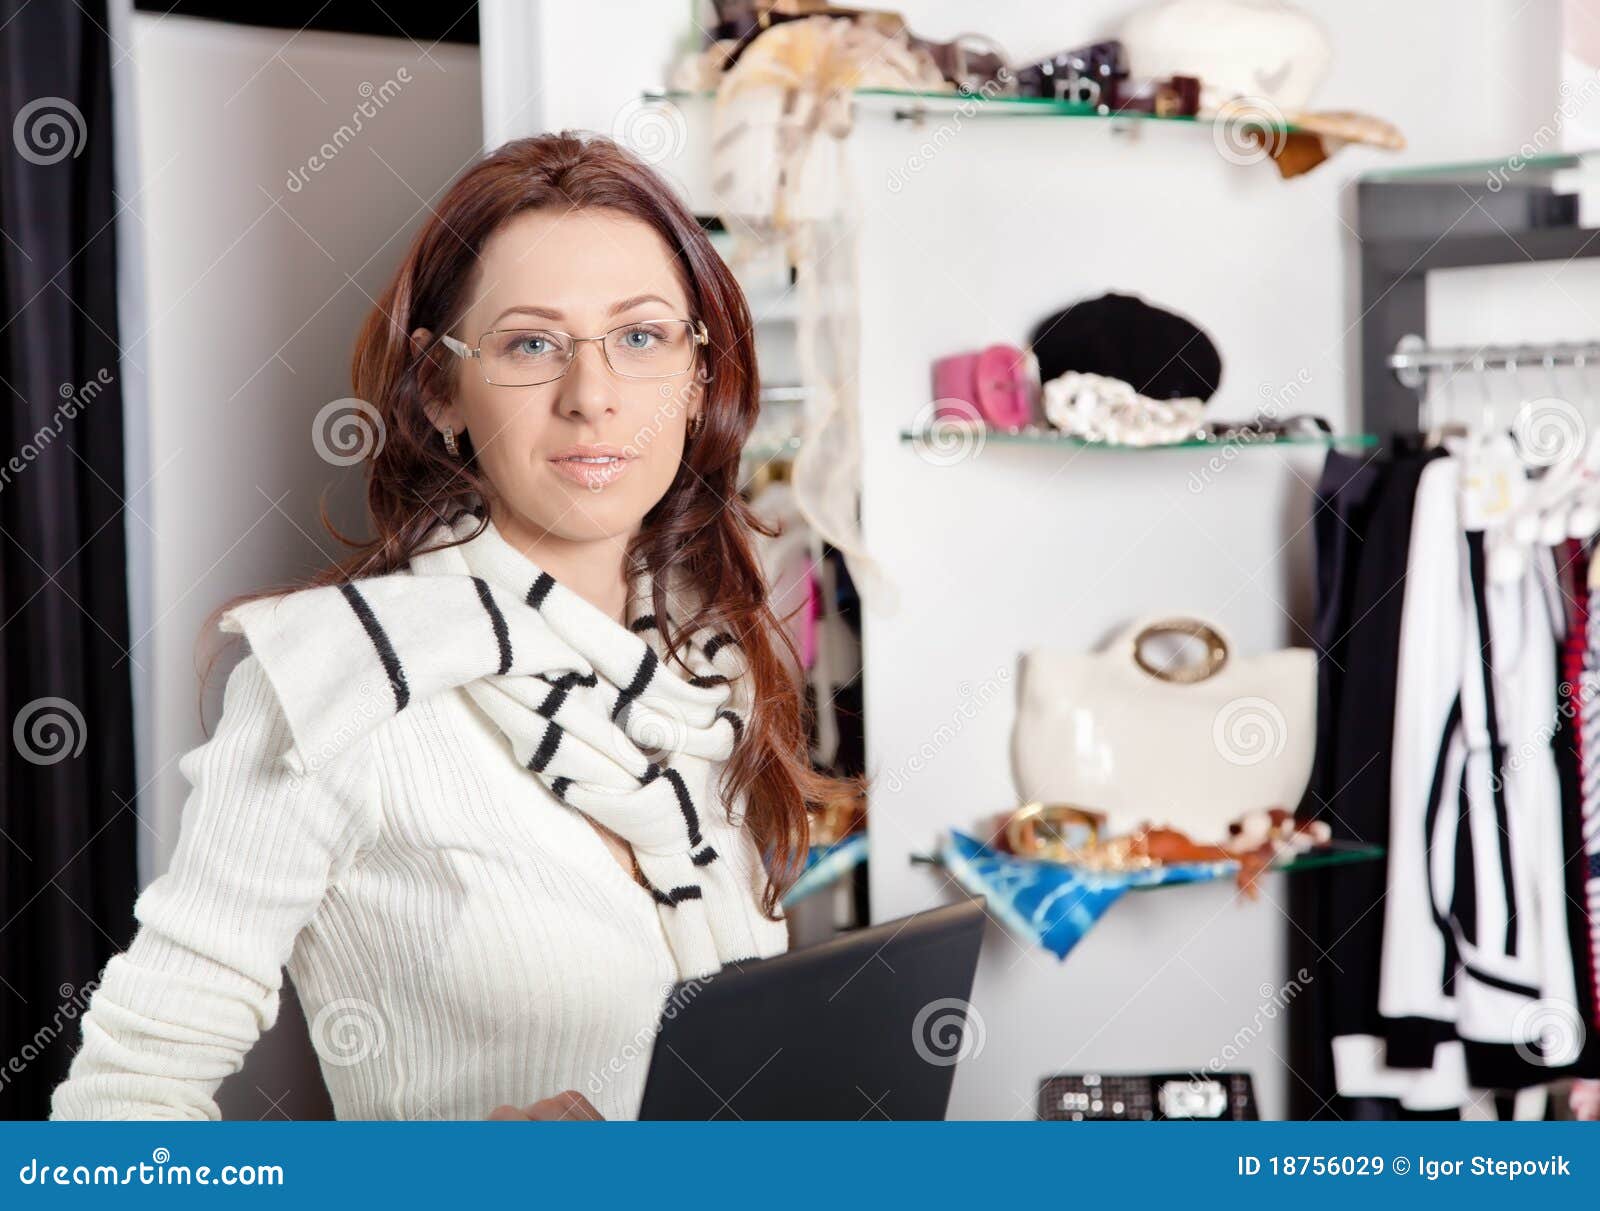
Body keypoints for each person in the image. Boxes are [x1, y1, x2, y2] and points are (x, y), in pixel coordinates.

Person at [50, 131, 861, 1122]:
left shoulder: (703, 666)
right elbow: (109, 1128)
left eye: (641, 337)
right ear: (440, 390)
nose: (593, 396)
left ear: (699, 378)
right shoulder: (331, 682)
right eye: (531, 344)